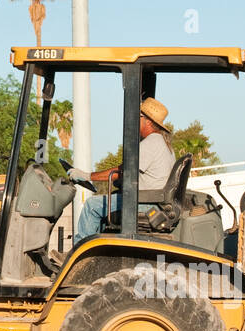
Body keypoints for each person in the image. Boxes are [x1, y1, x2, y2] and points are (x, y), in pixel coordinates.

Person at [74, 97, 175, 243]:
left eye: (138, 116)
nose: (135, 120)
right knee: (105, 205)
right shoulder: (164, 144)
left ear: (148, 121)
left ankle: (78, 252)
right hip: (153, 200)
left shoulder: (151, 143)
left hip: (144, 202)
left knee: (91, 206)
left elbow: (124, 171)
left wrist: (86, 175)